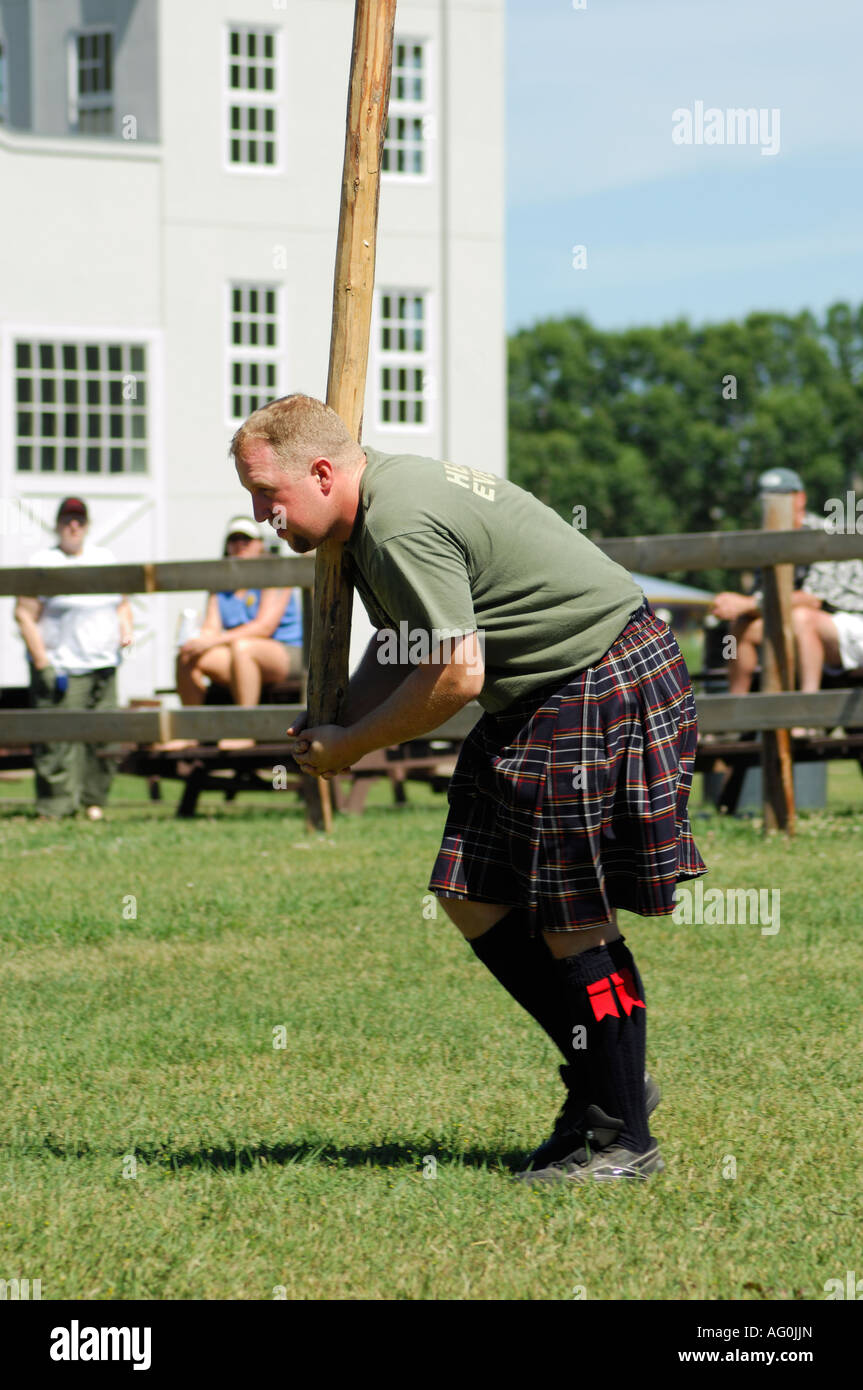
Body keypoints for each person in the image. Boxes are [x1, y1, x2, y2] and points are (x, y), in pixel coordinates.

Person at [231, 393, 708, 1185]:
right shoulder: (373, 514)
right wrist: (340, 712)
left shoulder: (396, 520)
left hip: (592, 675)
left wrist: (352, 743)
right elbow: (409, 639)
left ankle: (624, 1134)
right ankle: (606, 1082)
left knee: (569, 916)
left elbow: (456, 671)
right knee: (471, 890)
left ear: (320, 472)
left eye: (267, 495)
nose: (261, 516)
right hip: (541, 692)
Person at [710, 468, 863, 734]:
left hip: (845, 629)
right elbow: (764, 600)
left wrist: (746, 603)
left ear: (800, 498)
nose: (771, 505)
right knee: (738, 629)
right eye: (767, 499)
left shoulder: (823, 534)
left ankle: (807, 714)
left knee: (802, 617)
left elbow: (813, 600)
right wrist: (736, 606)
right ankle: (734, 714)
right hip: (799, 633)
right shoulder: (768, 542)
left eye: (780, 497)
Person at [13, 497, 134, 821]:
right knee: (58, 741)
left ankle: (93, 802)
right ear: (58, 524)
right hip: (63, 665)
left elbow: (122, 604)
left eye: (79, 520)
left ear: (87, 525)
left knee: (103, 737)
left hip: (104, 664)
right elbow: (24, 614)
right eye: (68, 519)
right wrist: (43, 663)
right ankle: (55, 809)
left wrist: (126, 631)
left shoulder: (105, 559)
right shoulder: (42, 562)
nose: (73, 525)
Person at [170, 516, 303, 751]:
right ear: (227, 545)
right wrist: (197, 641)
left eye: (246, 539)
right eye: (234, 539)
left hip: (286, 653)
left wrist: (213, 640)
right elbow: (211, 627)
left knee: (244, 648)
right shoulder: (221, 583)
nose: (239, 544)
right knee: (187, 655)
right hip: (239, 655)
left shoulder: (275, 573)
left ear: (259, 544)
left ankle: (245, 730)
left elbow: (264, 627)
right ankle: (190, 731)